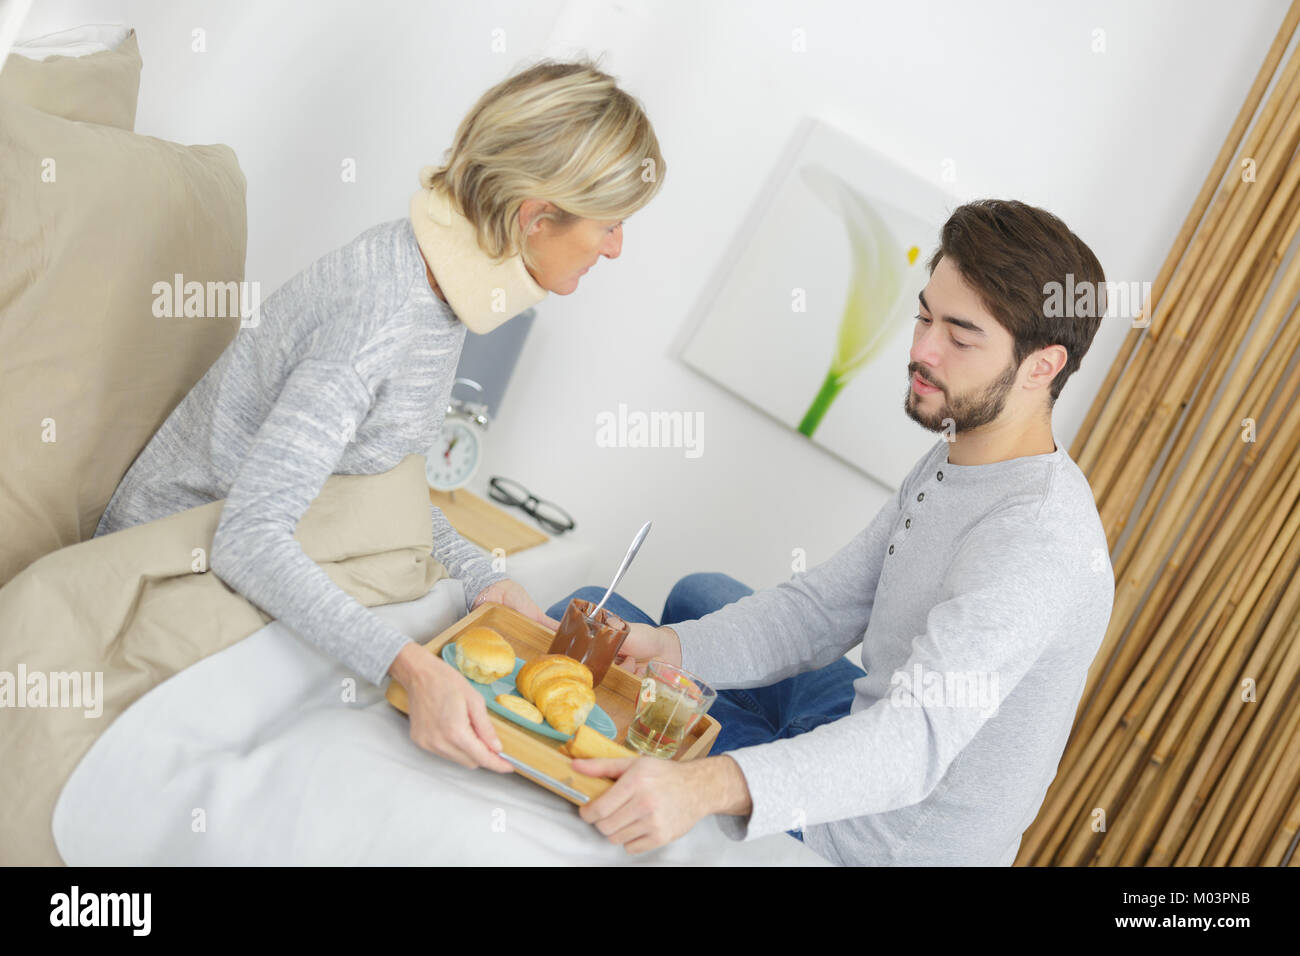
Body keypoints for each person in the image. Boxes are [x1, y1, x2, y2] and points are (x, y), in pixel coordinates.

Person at [93, 59, 665, 776]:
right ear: (536, 217)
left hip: (270, 545)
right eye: (610, 225)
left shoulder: (433, 287)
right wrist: (409, 670)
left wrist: (487, 582)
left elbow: (369, 483)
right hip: (176, 560)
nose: (616, 248)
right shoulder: (384, 313)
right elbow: (247, 538)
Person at [546, 199, 1116, 864]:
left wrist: (705, 785)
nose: (922, 351)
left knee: (584, 607)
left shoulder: (1036, 542)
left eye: (960, 337)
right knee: (690, 602)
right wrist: (663, 648)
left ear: (1042, 367)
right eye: (925, 316)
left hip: (880, 831)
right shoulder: (967, 445)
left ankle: (743, 748)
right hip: (862, 717)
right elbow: (824, 608)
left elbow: (912, 744)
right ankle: (716, 698)